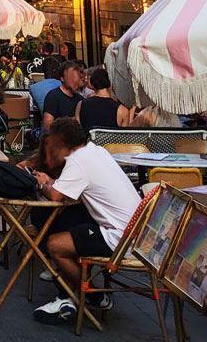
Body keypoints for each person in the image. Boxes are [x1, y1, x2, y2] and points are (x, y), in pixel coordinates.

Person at [31, 117, 141, 324]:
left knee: (55, 245)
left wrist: (42, 184)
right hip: (135, 232)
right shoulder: (96, 151)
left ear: (61, 143)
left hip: (120, 238)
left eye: (52, 145)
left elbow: (55, 195)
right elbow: (71, 188)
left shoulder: (77, 161)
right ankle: (69, 297)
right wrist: (52, 182)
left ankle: (90, 294)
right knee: (74, 223)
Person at [42, 61, 84, 129]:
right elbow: (47, 124)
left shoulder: (80, 99)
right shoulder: (53, 96)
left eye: (77, 77)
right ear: (62, 78)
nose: (75, 81)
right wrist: (71, 121)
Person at [30, 56, 62, 120]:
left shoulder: (33, 88)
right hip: (63, 122)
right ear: (54, 70)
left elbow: (36, 108)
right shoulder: (62, 84)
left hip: (45, 122)